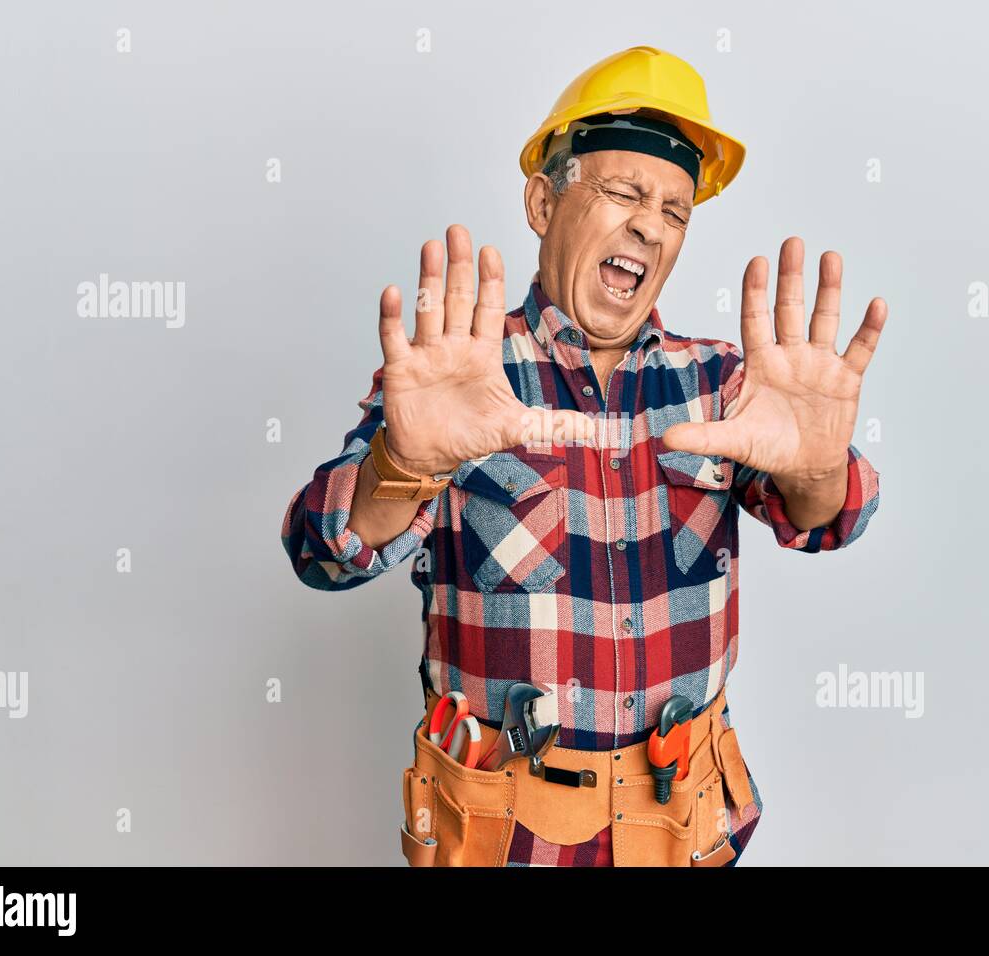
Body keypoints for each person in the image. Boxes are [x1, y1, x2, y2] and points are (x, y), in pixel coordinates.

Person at [282, 46, 888, 866]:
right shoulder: (461, 376)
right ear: (543, 201)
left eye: (676, 209)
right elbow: (322, 555)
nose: (651, 223)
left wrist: (816, 468)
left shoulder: (722, 386)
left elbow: (832, 520)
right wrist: (403, 461)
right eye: (624, 192)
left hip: (685, 831)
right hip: (508, 842)